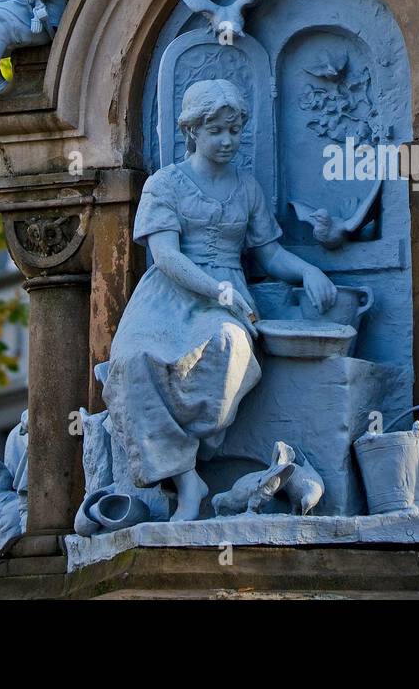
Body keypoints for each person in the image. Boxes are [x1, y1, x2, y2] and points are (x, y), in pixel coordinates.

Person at [102, 79, 336, 521]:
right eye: (217, 131)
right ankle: (186, 479)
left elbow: (268, 253)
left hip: (226, 301)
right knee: (133, 360)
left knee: (228, 345)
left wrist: (308, 270)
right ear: (192, 131)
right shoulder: (164, 184)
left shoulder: (247, 189)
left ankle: (187, 458)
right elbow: (166, 255)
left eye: (235, 130)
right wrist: (214, 288)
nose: (228, 140)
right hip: (167, 297)